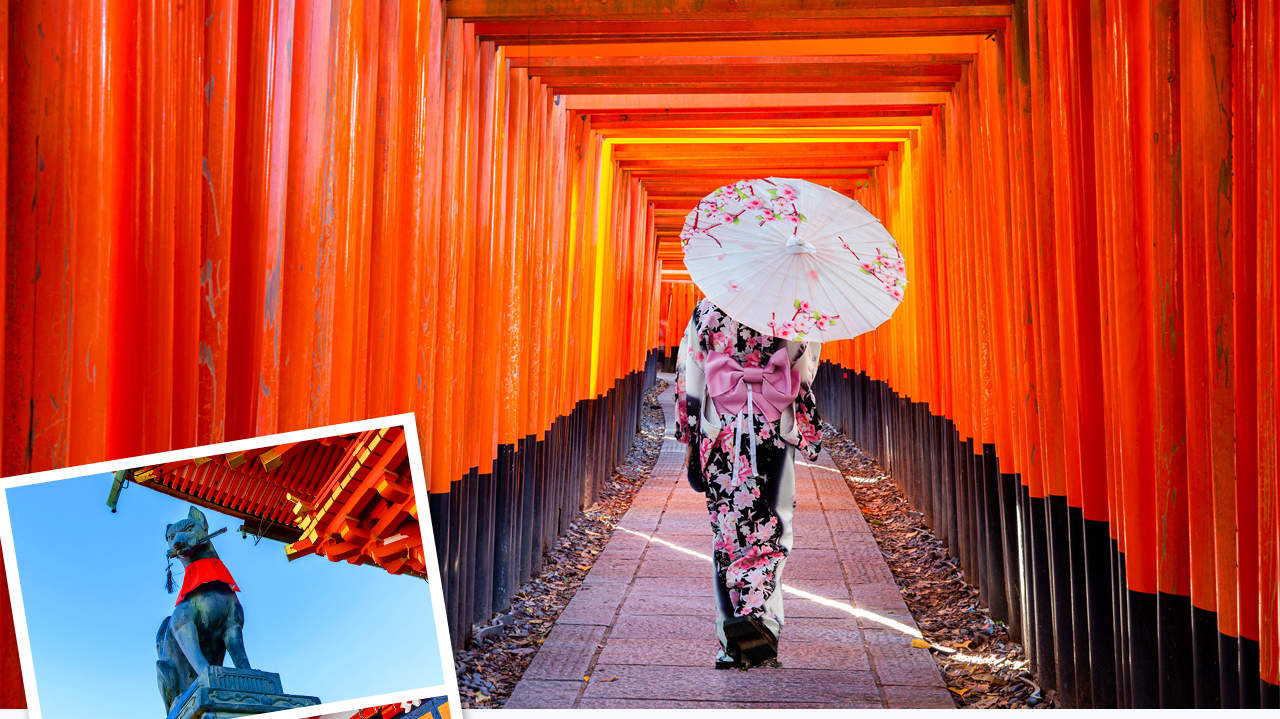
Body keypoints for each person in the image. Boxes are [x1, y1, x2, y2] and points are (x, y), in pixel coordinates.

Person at [673, 298, 823, 669]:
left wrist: (690, 438)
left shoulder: (706, 311)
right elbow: (805, 371)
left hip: (721, 428)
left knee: (727, 533)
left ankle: (730, 640)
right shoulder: (795, 309)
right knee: (773, 527)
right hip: (772, 427)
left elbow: (690, 375)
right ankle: (763, 624)